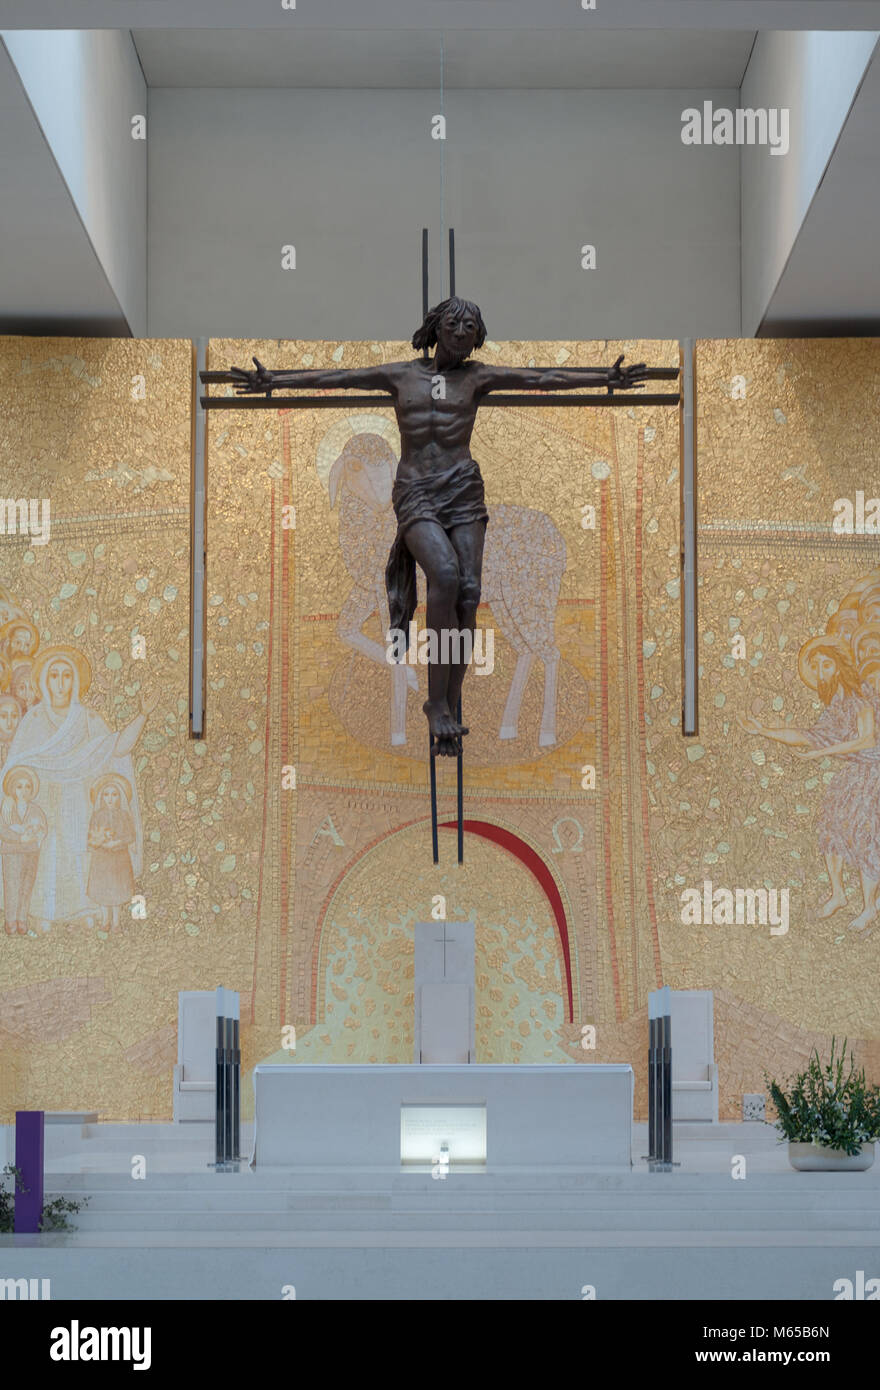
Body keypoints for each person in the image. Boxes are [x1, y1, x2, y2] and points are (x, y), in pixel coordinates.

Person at [229, 296, 648, 755]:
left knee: (469, 592)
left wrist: (606, 378)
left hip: (464, 491)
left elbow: (543, 377)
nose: (465, 331)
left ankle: (448, 703)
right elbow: (337, 378)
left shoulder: (477, 377)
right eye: (456, 323)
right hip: (417, 494)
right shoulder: (402, 376)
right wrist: (274, 381)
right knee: (444, 575)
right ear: (437, 328)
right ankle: (435, 702)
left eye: (472, 325)